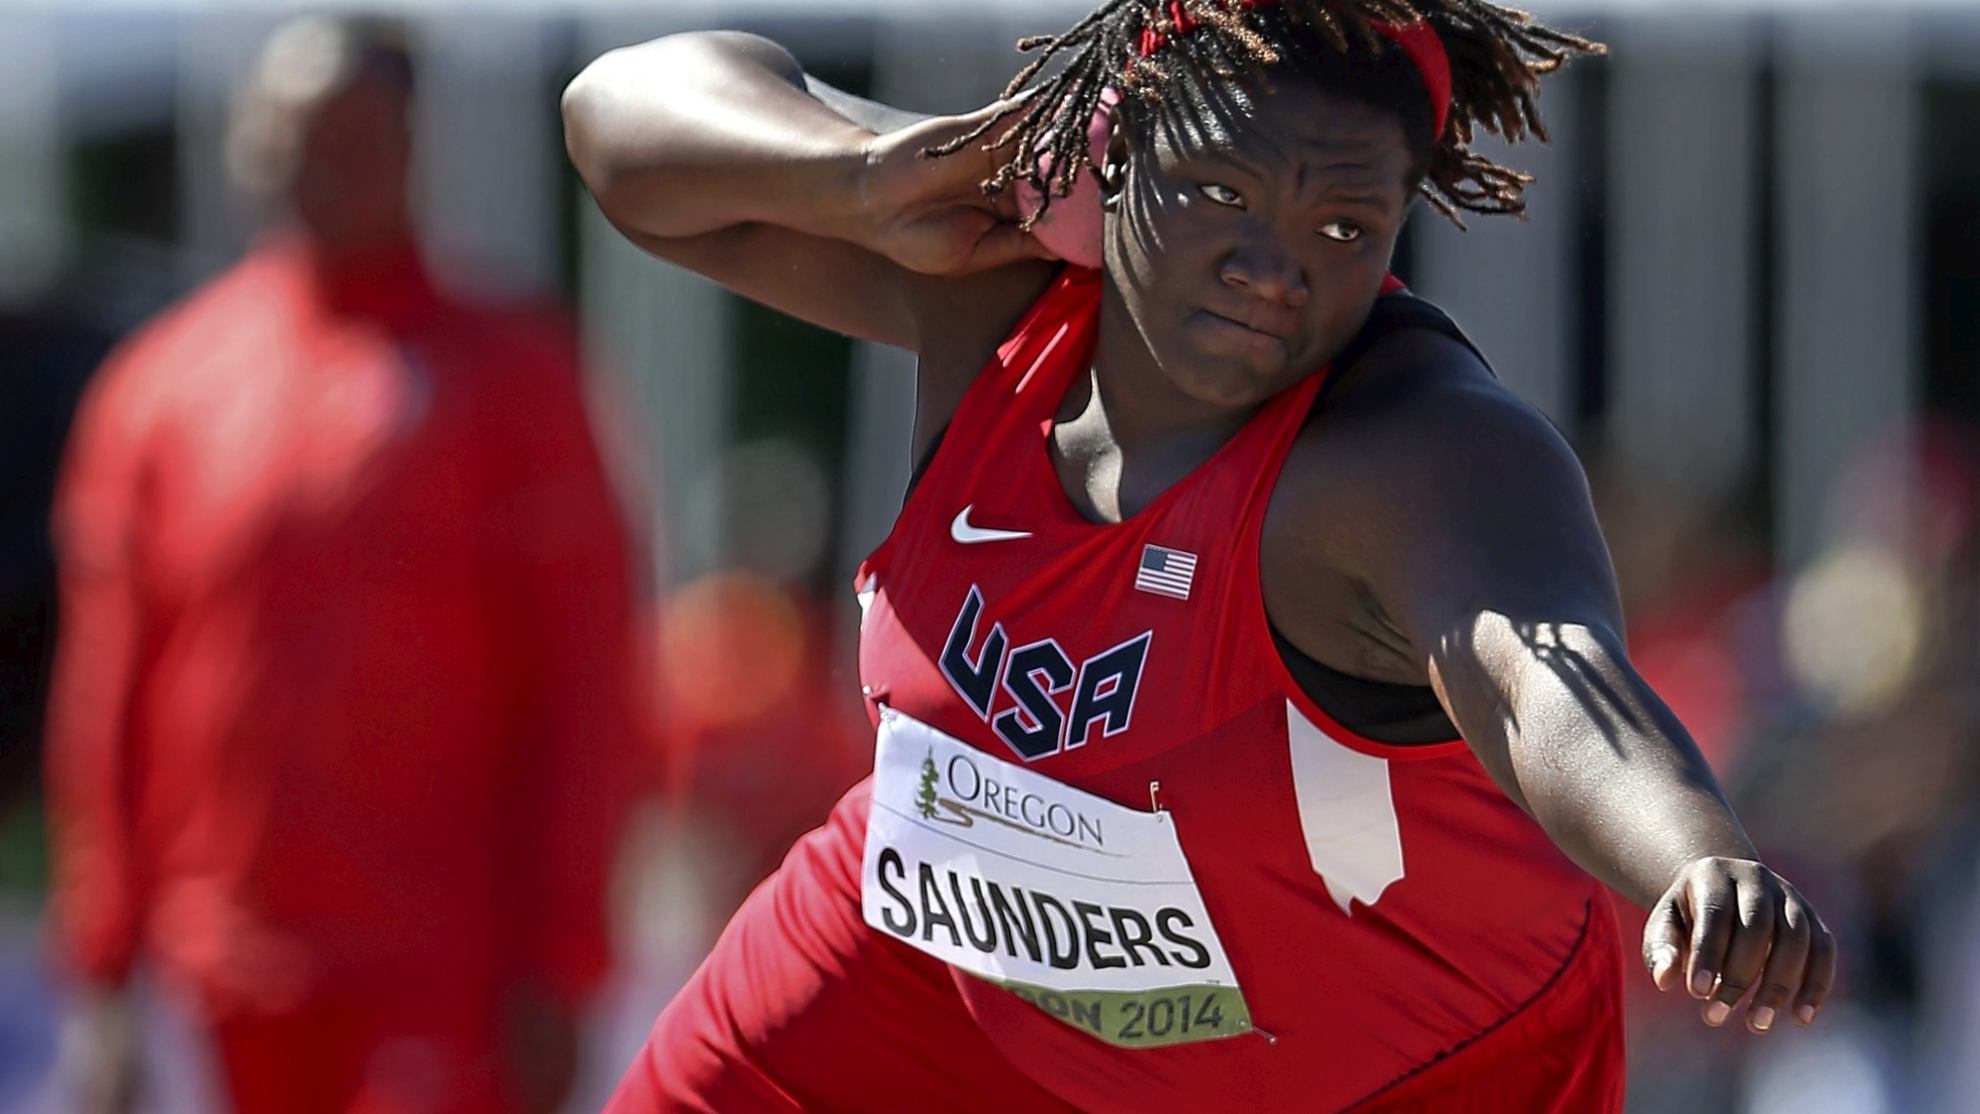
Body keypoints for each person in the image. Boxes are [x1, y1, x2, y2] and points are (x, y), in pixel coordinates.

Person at [563, 0, 1838, 1109]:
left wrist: (1695, 855)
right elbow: (617, 131)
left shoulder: (1415, 456)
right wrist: (866, 175)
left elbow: (1541, 672)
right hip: (932, 980)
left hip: (1384, 1068)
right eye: (1220, 190)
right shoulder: (990, 291)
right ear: (1109, 152)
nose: (1273, 267)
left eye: (1346, 227)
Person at [47, 16, 643, 1114]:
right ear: (251, 146)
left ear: (412, 147)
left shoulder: (511, 380)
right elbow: (109, 692)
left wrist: (565, 958)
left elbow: (588, 683)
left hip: (441, 962)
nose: (320, 161)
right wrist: (101, 964)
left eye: (357, 133)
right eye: (293, 132)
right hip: (219, 960)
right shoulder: (162, 387)